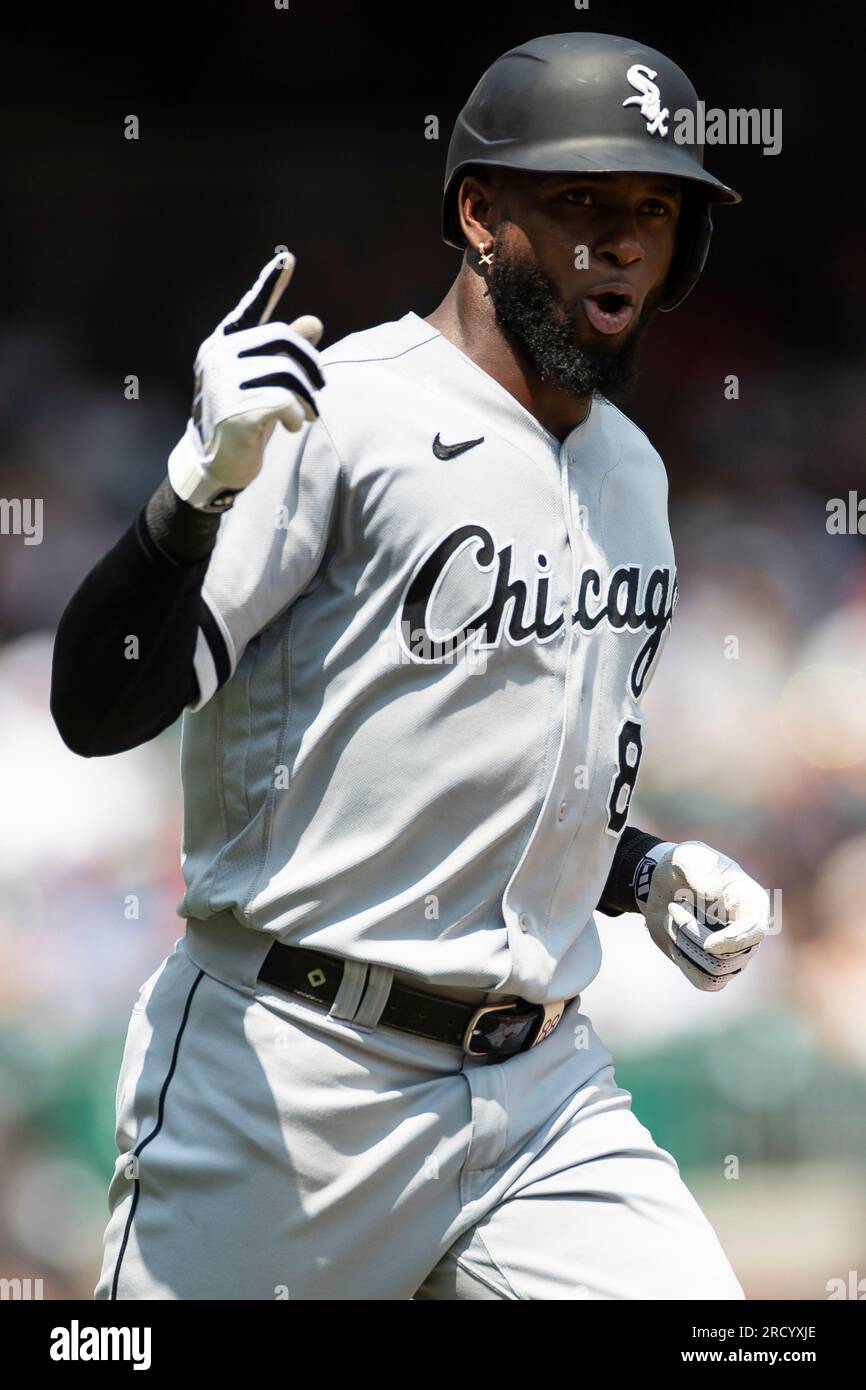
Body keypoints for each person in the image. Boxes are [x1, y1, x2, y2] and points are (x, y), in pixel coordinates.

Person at [51, 32, 770, 1300]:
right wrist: (190, 492)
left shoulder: (633, 474)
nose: (618, 241)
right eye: (579, 202)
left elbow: (484, 775)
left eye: (650, 209)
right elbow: (96, 702)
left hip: (542, 1090)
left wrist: (640, 869)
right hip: (290, 1073)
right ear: (480, 213)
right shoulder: (336, 409)